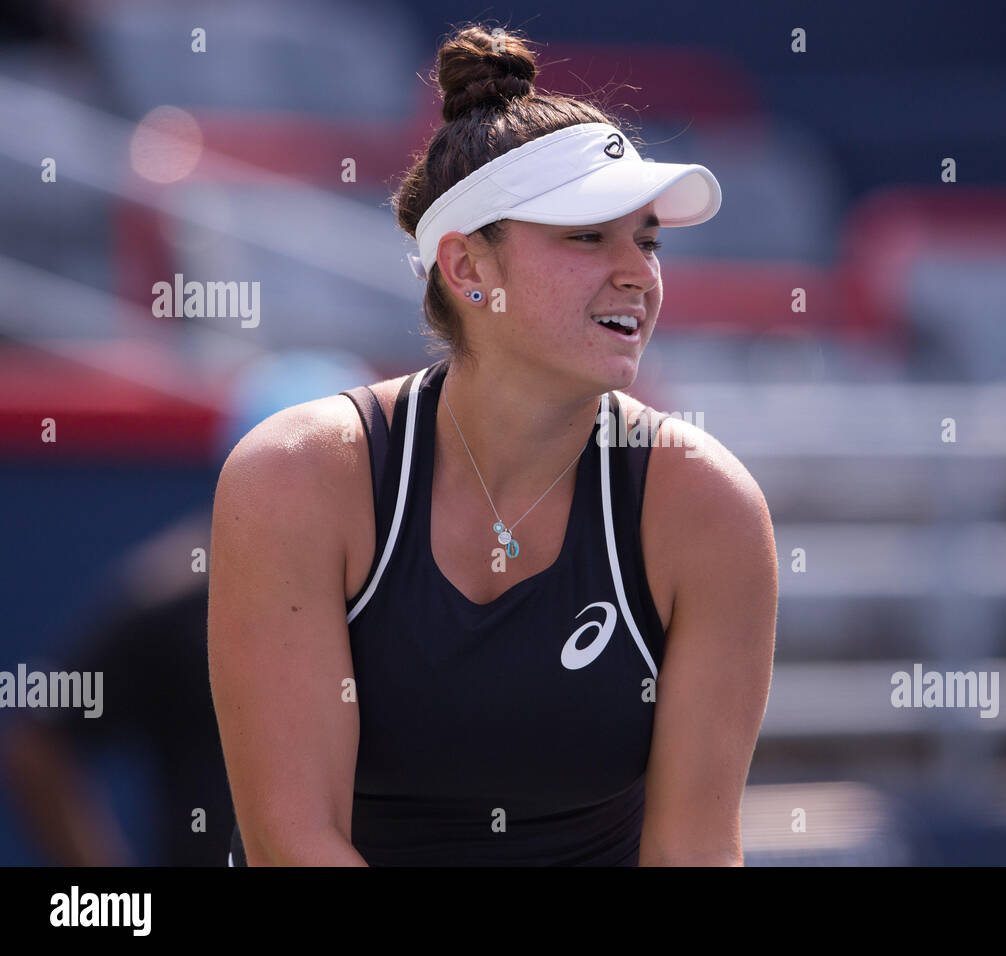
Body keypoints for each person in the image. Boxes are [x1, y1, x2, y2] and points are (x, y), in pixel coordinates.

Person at [208, 22, 778, 866]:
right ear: (469, 269)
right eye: (588, 236)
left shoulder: (710, 507)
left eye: (647, 240)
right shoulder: (295, 474)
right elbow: (294, 845)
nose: (639, 273)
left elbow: (695, 850)